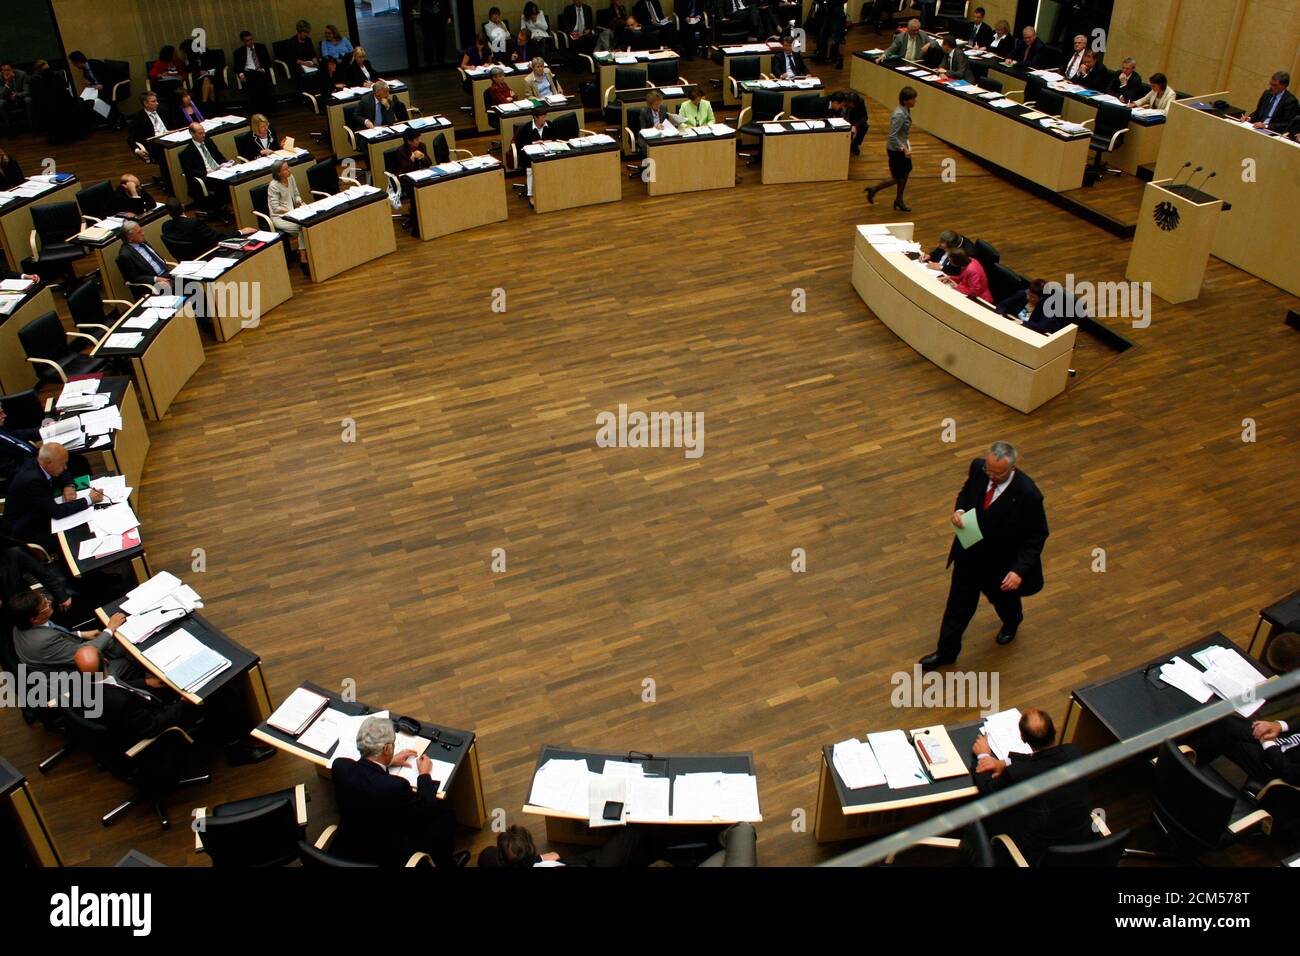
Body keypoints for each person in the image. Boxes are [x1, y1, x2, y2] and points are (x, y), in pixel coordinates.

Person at [920, 441, 1048, 669]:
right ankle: (946, 653)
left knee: (1003, 602)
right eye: (989, 470)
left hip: (1001, 566)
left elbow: (1037, 536)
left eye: (997, 474)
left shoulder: (1029, 494)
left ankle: (1012, 622)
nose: (991, 477)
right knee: (957, 607)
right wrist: (959, 510)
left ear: (1012, 468)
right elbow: (965, 493)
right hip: (969, 556)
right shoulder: (978, 468)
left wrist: (1018, 571)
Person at [330, 716, 466, 867]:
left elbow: (364, 774)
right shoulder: (395, 786)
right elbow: (427, 809)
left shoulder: (340, 766)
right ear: (387, 748)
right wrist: (424, 775)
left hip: (349, 842)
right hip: (386, 852)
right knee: (445, 814)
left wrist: (388, 761)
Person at [972, 709, 1095, 864]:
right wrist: (1006, 763)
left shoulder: (1019, 773)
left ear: (1023, 738)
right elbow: (1040, 760)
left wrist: (983, 755)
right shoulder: (1074, 752)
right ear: (1054, 730)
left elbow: (988, 791)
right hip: (1082, 844)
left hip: (1039, 855)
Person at [10, 589, 139, 679]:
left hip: (68, 654)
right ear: (34, 619)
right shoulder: (43, 642)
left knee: (112, 645)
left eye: (44, 598)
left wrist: (80, 634)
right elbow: (84, 652)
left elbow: (53, 632)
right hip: (75, 679)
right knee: (129, 660)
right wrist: (110, 628)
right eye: (45, 604)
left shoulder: (21, 624)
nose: (49, 601)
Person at [73, 645, 181, 750]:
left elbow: (116, 686)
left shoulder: (75, 683)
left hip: (123, 717)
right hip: (152, 724)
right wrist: (183, 702)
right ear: (105, 661)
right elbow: (153, 727)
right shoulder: (122, 702)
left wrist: (145, 682)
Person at [485, 823, 650, 867]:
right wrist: (543, 859)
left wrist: (540, 859)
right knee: (630, 833)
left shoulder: (493, 859)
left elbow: (487, 856)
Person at [865, 86, 915, 212]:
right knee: (897, 178)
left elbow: (902, 134)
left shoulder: (906, 110)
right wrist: (903, 148)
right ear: (905, 100)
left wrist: (907, 145)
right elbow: (893, 136)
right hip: (896, 150)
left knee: (906, 172)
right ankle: (874, 189)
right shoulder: (899, 115)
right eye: (912, 99)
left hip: (903, 147)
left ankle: (899, 200)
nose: (915, 101)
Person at [160, 198, 254, 261]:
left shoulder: (165, 226)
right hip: (206, 256)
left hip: (186, 261)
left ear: (168, 212)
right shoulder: (194, 223)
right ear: (183, 206)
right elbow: (217, 237)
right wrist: (241, 232)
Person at [178, 121, 233, 216]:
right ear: (192, 134)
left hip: (220, 171)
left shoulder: (209, 141)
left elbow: (219, 156)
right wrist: (206, 172)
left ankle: (227, 205)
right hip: (206, 177)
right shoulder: (187, 152)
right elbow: (188, 171)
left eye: (204, 132)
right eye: (200, 133)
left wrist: (225, 163)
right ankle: (220, 209)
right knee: (223, 185)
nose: (203, 135)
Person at [267, 159, 308, 261]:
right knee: (302, 228)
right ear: (279, 173)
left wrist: (300, 202)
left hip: (293, 214)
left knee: (308, 224)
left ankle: (306, 252)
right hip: (280, 218)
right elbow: (276, 208)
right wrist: (291, 211)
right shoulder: (273, 186)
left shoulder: (291, 178)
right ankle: (303, 258)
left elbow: (296, 194)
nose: (289, 170)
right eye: (286, 169)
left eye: (288, 167)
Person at [115, 221, 173, 292]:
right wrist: (156, 279)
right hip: (155, 283)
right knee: (186, 288)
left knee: (189, 278)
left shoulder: (142, 242)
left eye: (141, 230)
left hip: (168, 273)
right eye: (139, 232)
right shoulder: (125, 255)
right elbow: (134, 278)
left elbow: (156, 257)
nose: (143, 233)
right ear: (130, 238)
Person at [997, 278, 1067, 336]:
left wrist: (1022, 323)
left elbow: (1043, 326)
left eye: (1032, 297)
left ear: (1041, 297)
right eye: (1028, 294)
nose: (1028, 297)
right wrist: (1000, 314)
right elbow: (1003, 304)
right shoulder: (1022, 294)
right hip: (1017, 330)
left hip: (1040, 334)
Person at [516, 107, 552, 201]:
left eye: (545, 116)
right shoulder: (526, 128)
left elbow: (555, 138)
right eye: (542, 117)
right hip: (529, 155)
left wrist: (548, 142)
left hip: (547, 152)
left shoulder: (549, 125)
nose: (545, 119)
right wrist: (534, 143)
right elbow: (519, 144)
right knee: (531, 167)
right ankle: (531, 194)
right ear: (536, 118)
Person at [126, 91, 171, 165]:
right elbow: (131, 138)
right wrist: (137, 150)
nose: (157, 103)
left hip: (169, 137)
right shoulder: (138, 117)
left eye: (156, 100)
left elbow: (173, 126)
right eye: (153, 101)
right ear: (145, 103)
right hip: (154, 144)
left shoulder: (163, 110)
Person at [235, 31, 273, 114]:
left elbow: (268, 62)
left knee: (258, 78)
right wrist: (241, 75)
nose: (250, 42)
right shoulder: (239, 52)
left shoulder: (261, 47)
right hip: (248, 73)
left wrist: (262, 69)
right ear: (244, 42)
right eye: (248, 40)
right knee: (254, 78)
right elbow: (237, 67)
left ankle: (260, 109)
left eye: (251, 39)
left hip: (260, 71)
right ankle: (262, 109)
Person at [828, 90, 867, 154]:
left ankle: (854, 144)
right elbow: (833, 108)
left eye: (854, 106)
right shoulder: (840, 98)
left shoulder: (860, 101)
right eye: (850, 105)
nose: (852, 107)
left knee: (865, 126)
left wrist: (855, 126)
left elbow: (865, 117)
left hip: (852, 120)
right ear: (846, 101)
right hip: (839, 118)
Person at [180, 37, 217, 104]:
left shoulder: (205, 52)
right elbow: (189, 69)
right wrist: (186, 60)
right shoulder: (190, 57)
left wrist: (207, 72)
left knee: (207, 79)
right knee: (211, 86)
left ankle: (204, 103)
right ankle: (211, 108)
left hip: (212, 76)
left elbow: (215, 66)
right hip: (199, 80)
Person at [1, 62, 33, 137]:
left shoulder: (22, 74)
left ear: (12, 69)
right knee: (1, 103)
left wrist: (17, 95)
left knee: (28, 100)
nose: (5, 72)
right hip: (8, 101)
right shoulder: (0, 77)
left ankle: (33, 127)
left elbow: (27, 91)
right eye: (3, 70)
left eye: (7, 70)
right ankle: (9, 129)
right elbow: (1, 95)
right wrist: (8, 82)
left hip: (21, 99)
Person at [420, 0, 453, 66]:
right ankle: (429, 60)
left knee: (441, 40)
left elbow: (446, 4)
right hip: (428, 18)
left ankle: (441, 58)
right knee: (428, 40)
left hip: (440, 18)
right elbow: (422, 5)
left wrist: (448, 16)